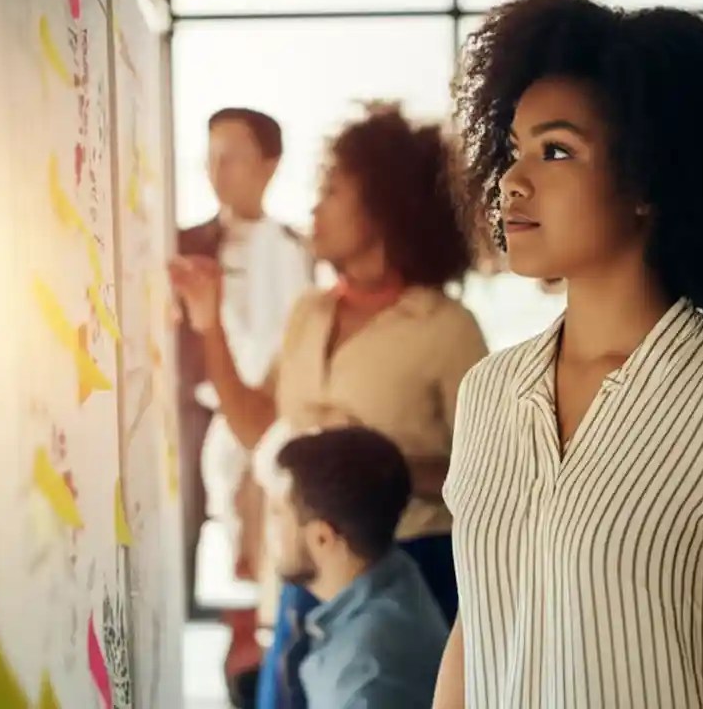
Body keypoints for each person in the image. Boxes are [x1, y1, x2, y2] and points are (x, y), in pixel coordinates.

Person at [435, 0, 703, 708]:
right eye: (515, 149)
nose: (511, 180)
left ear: (649, 184)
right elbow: (484, 625)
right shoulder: (489, 392)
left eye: (557, 150)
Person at [170, 102, 488, 709]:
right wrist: (208, 321)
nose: (314, 206)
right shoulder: (308, 313)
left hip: (410, 571)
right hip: (304, 570)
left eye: (333, 190)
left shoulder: (448, 329)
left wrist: (377, 467)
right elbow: (256, 426)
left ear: (384, 207)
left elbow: (492, 478)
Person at [176, 108, 312, 708]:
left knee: (282, 579)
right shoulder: (185, 247)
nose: (217, 170)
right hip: (214, 433)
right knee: (232, 578)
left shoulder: (297, 249)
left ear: (269, 165)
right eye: (211, 156)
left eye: (231, 155)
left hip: (286, 431)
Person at [266, 427, 448, 709]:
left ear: (322, 538)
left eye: (278, 513)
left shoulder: (366, 679)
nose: (269, 531)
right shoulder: (394, 574)